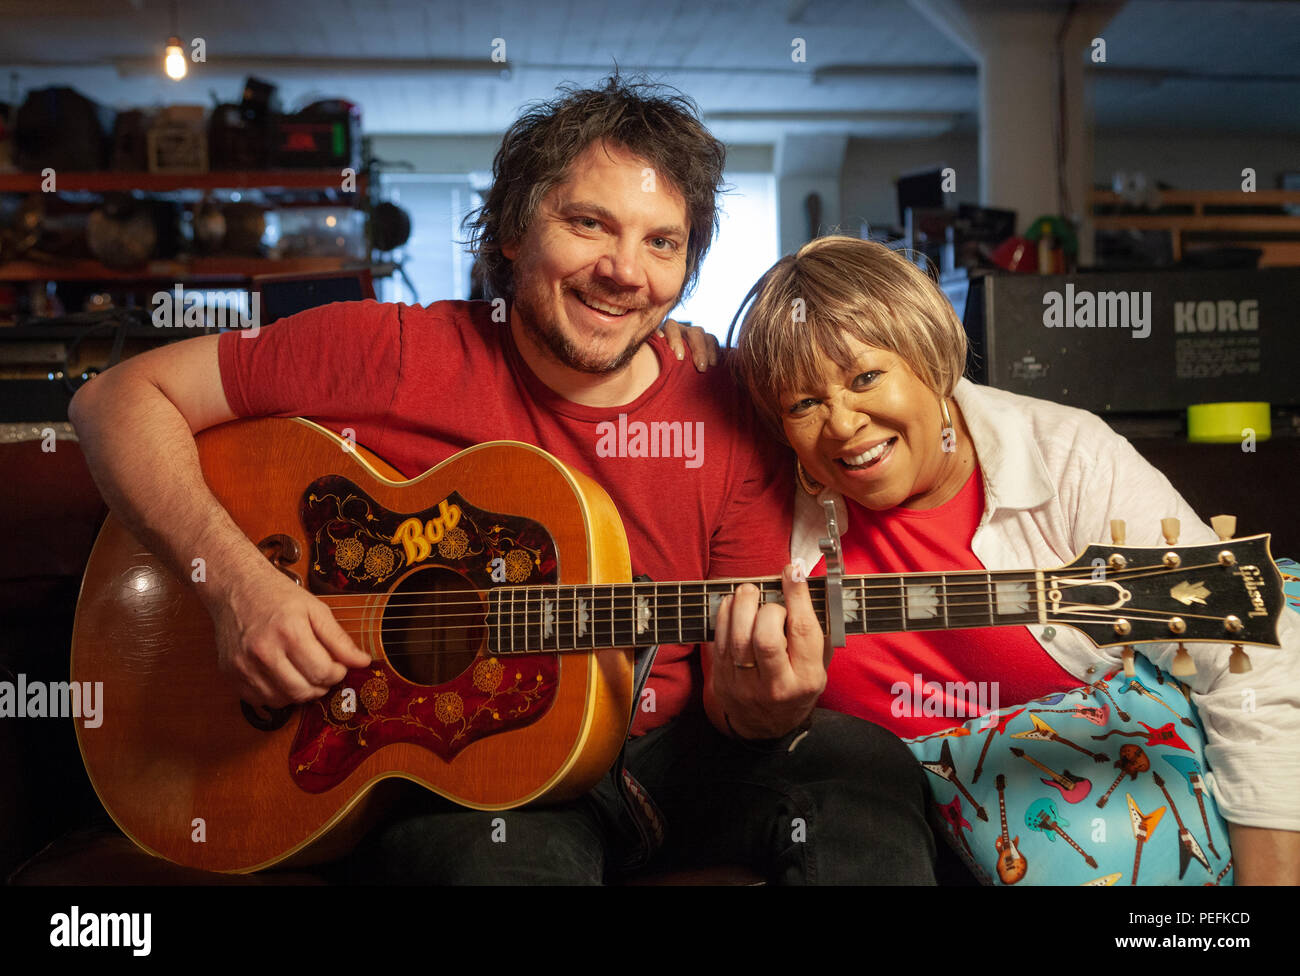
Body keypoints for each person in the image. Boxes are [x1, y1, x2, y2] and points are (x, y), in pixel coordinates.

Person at [67, 79, 936, 883]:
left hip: (678, 759)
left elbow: (734, 693)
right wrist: (237, 587)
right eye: (589, 224)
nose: (625, 271)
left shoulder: (737, 405)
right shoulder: (391, 353)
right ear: (514, 229)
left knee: (861, 767)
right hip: (487, 778)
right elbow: (115, 401)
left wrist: (766, 706)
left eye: (661, 242)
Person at [722, 234, 1300, 884]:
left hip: (1069, 829)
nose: (842, 424)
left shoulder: (1070, 457)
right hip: (882, 833)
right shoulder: (756, 495)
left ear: (931, 359)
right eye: (804, 403)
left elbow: (1257, 667)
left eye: (865, 378)